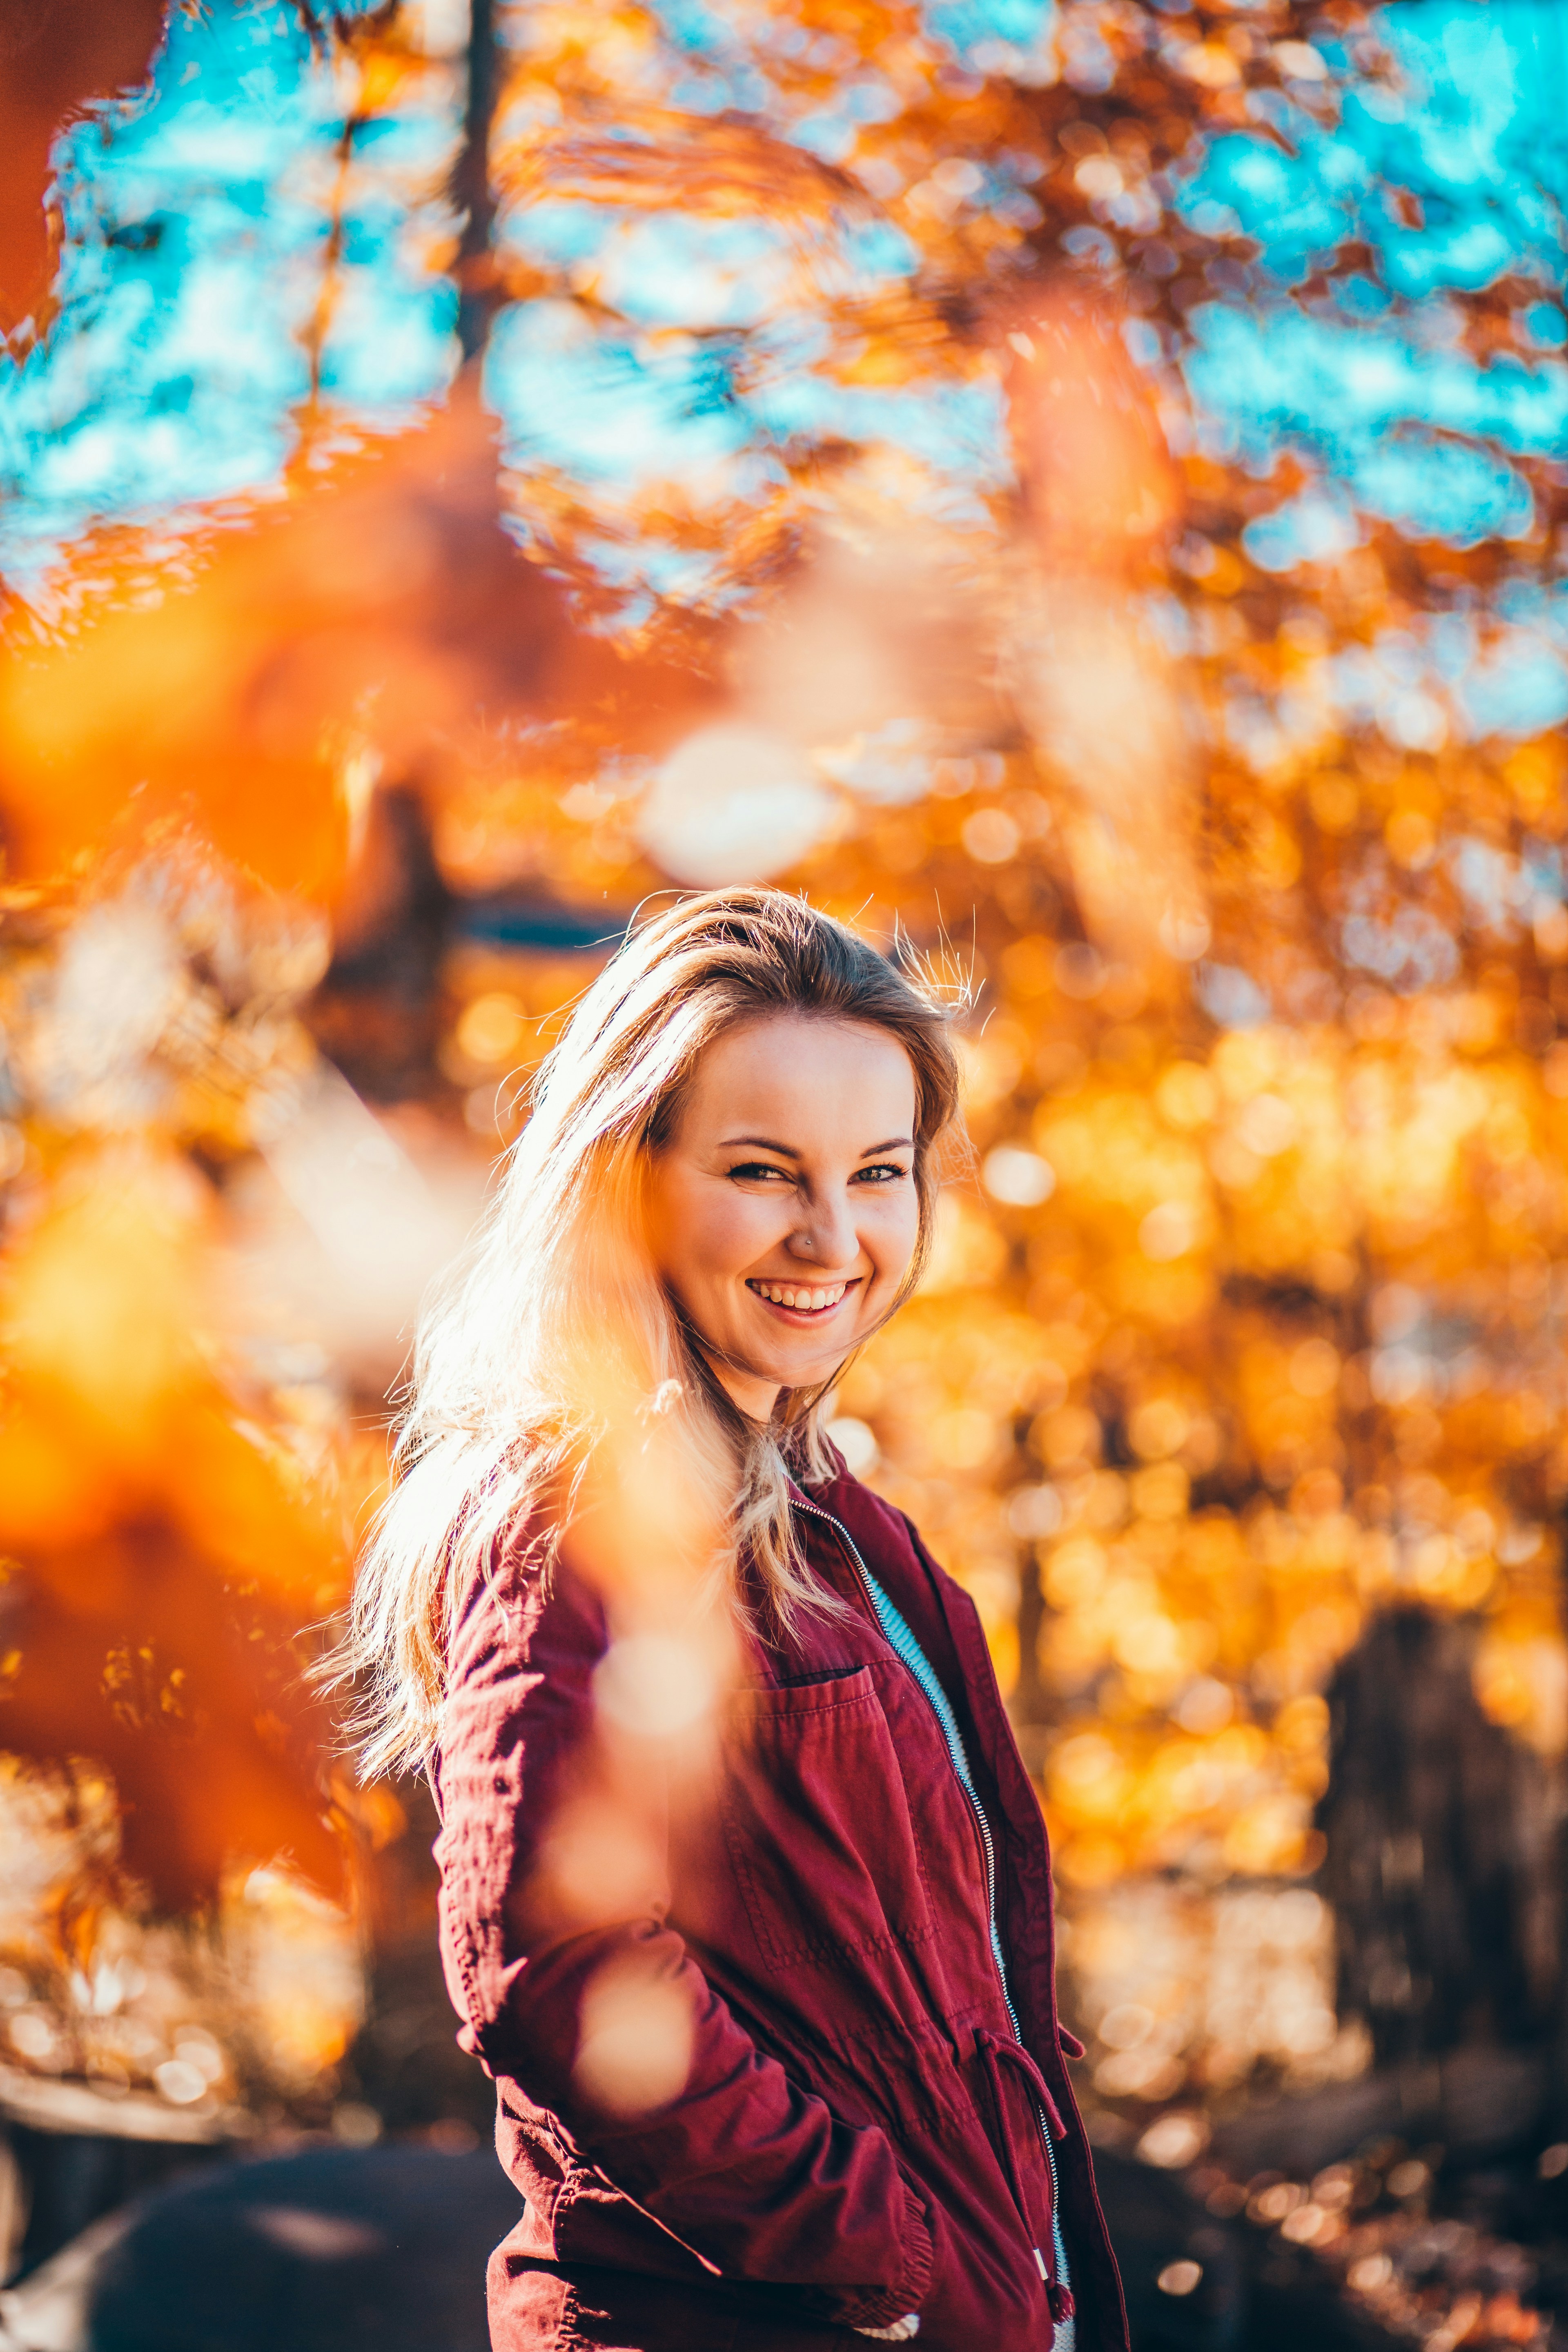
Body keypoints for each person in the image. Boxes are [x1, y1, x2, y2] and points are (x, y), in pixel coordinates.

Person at [340, 890, 1128, 2352]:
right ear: (628, 1182)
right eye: (764, 1172)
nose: (832, 1237)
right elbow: (552, 1963)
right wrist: (886, 2257)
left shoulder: (836, 1520)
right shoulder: (584, 1508)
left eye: (879, 1172)